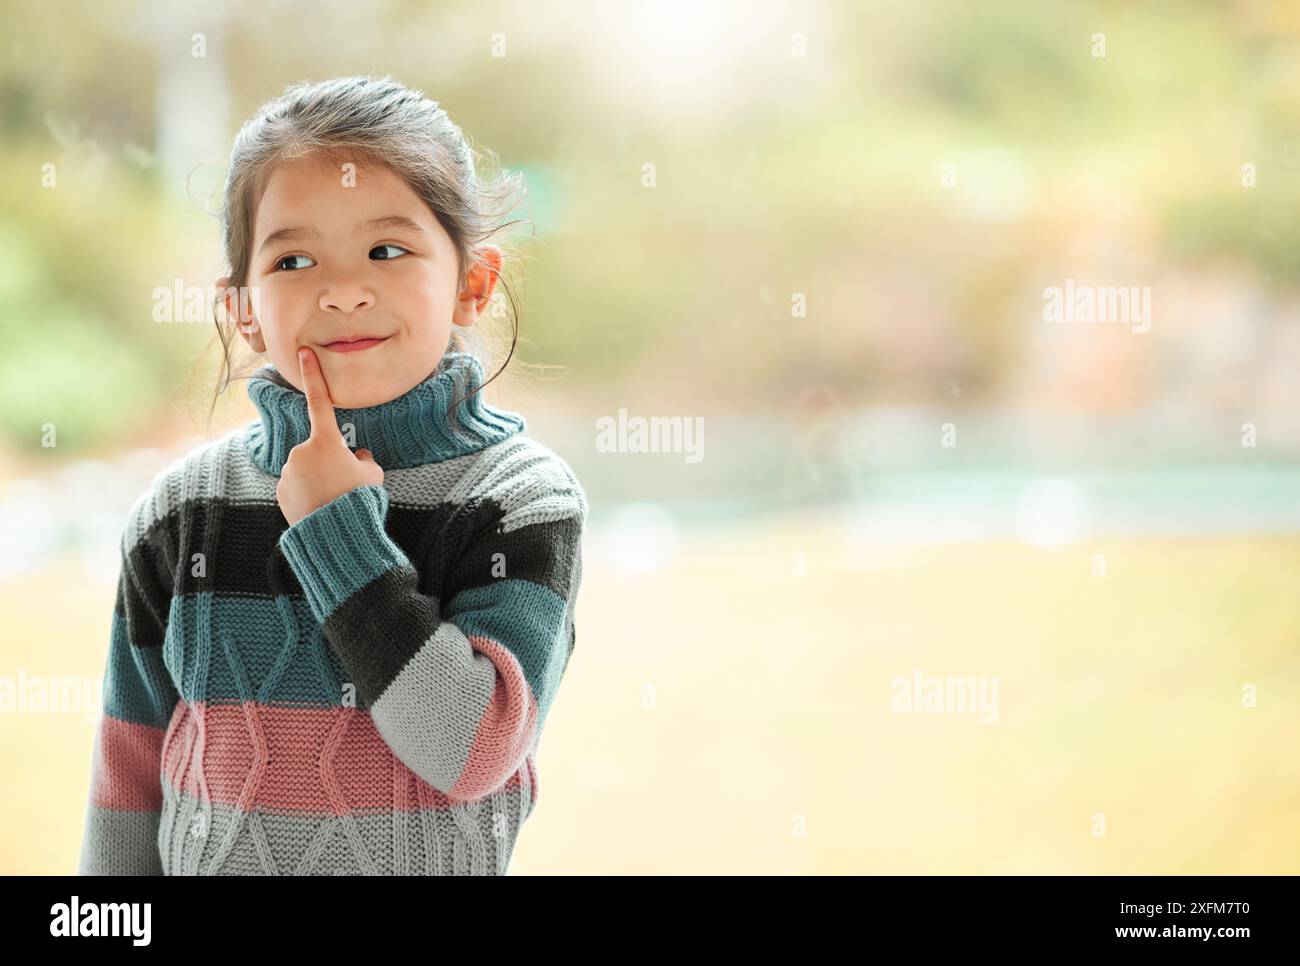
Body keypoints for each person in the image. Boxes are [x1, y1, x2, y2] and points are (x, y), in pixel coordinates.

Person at [77, 75, 587, 875]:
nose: (343, 290)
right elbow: (126, 783)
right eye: (294, 258)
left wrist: (335, 534)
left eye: (387, 250)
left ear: (472, 284)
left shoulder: (517, 502)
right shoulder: (180, 514)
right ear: (243, 308)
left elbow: (468, 749)